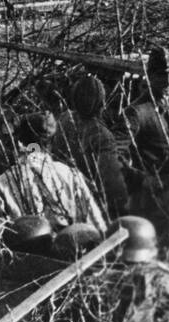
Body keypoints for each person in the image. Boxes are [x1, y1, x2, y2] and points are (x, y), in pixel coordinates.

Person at [123, 47, 169, 238]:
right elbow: (114, 153)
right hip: (155, 195)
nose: (168, 81)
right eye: (161, 75)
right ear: (149, 76)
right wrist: (141, 179)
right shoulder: (137, 112)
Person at [0, 112, 107, 233]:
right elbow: (96, 222)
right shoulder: (70, 174)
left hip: (26, 250)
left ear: (20, 144)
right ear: (51, 142)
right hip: (74, 247)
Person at [54, 74, 129, 217]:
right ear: (102, 103)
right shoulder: (102, 136)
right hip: (89, 204)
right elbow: (112, 185)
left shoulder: (65, 118)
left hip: (62, 193)